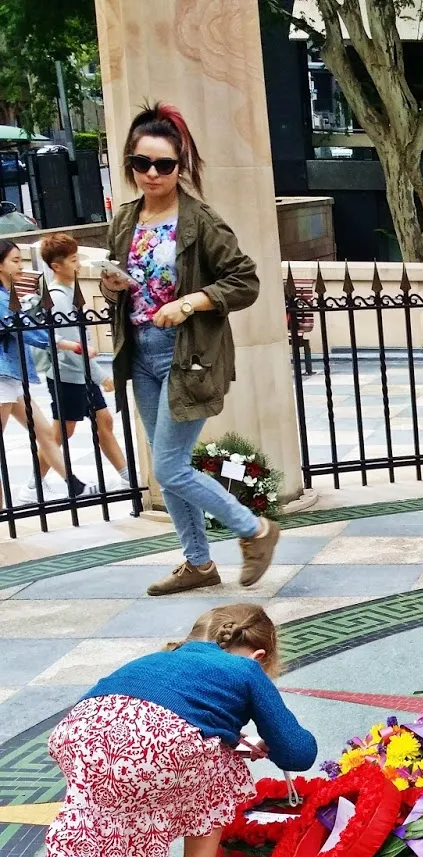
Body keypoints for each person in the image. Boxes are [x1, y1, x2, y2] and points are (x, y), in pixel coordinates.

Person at [99, 103, 280, 597]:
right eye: (142, 163)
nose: (152, 174)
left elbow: (245, 281)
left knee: (170, 467)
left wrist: (192, 301)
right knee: (168, 466)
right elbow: (126, 285)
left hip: (187, 355)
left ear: (181, 166)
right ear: (129, 164)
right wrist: (113, 286)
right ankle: (198, 563)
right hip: (139, 351)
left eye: (164, 164)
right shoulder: (125, 219)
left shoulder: (200, 221)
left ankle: (254, 530)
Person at [44, 604, 316, 857]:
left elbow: (149, 717)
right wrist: (275, 741)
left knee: (140, 777)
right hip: (151, 747)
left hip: (80, 745)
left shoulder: (151, 660)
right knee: (216, 769)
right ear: (259, 656)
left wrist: (232, 738)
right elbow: (298, 754)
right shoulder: (245, 669)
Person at [31, 232, 130, 489]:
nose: (79, 265)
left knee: (103, 421)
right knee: (62, 432)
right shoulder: (59, 297)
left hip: (78, 373)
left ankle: (126, 474)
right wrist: (102, 376)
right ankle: (34, 484)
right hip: (68, 375)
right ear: (56, 265)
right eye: (73, 260)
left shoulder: (67, 291)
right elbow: (71, 348)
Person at [0, 238, 92, 504]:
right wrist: (63, 343)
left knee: (44, 432)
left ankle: (74, 484)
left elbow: (27, 325)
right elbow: (25, 330)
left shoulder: (9, 295)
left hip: (13, 376)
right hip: (3, 375)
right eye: (15, 261)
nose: (20, 266)